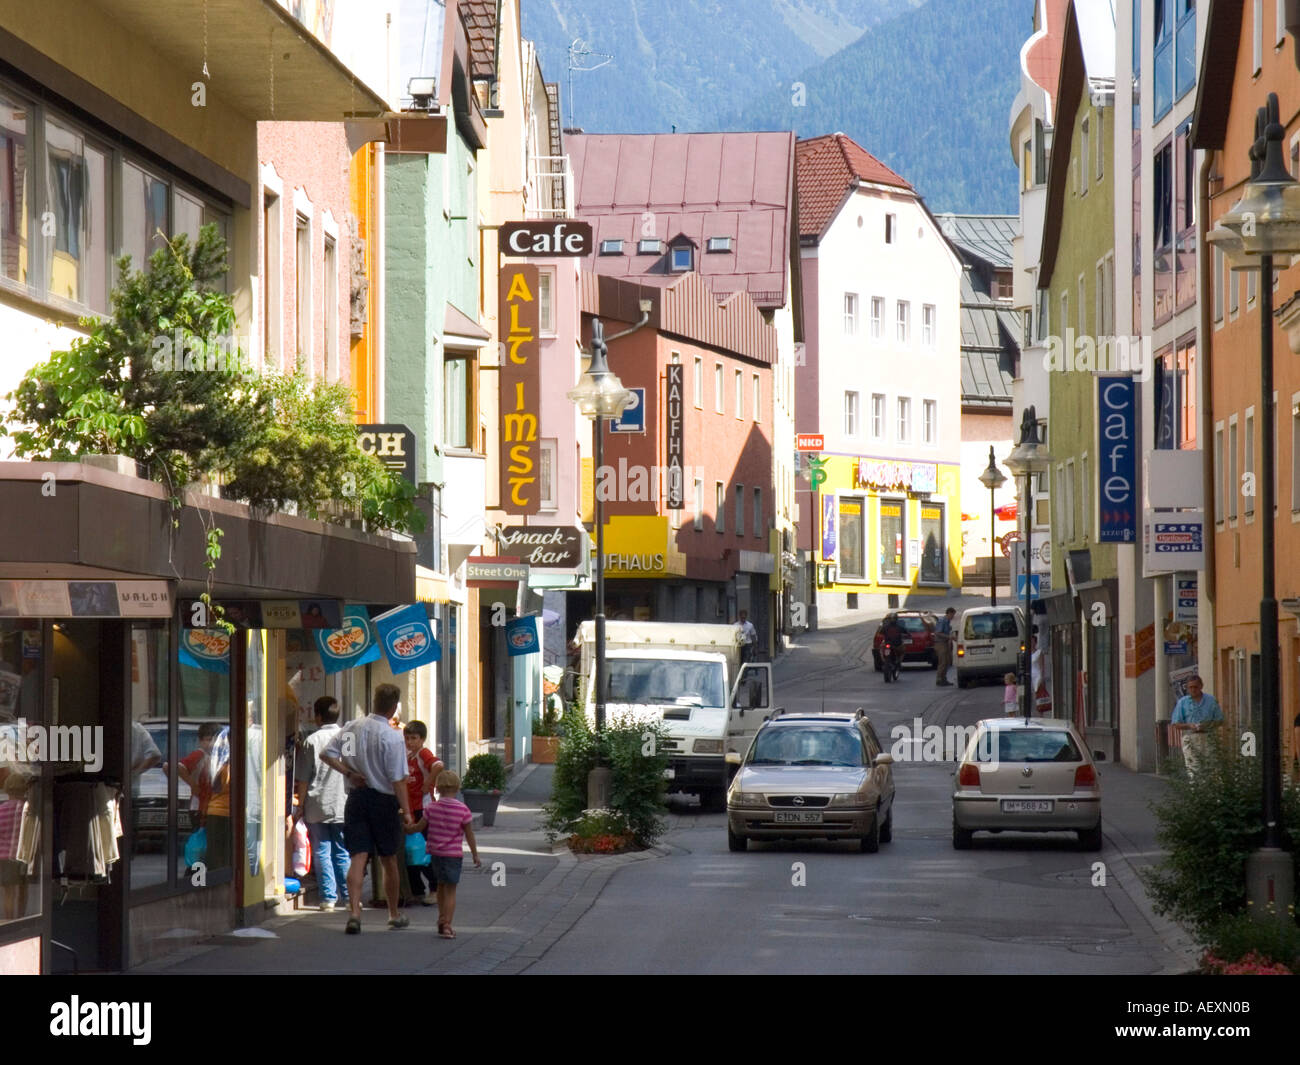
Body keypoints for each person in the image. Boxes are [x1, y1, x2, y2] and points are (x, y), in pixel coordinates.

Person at [321, 683, 413, 933]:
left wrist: (350, 772)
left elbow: (328, 754)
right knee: (388, 858)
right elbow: (398, 780)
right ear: (394, 708)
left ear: (373, 702)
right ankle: (393, 914)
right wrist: (407, 812)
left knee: (358, 857)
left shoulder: (352, 728)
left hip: (357, 798)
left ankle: (354, 912)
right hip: (383, 801)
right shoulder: (392, 737)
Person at [292, 697, 351, 911]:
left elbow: (304, 778)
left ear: (317, 716)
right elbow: (353, 768)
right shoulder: (348, 737)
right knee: (343, 850)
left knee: (322, 850)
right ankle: (348, 895)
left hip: (317, 804)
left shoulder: (311, 741)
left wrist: (300, 804)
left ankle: (328, 898)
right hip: (344, 801)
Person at [408, 769, 481, 940]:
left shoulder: (431, 808)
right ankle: (447, 924)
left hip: (435, 854)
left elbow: (419, 827)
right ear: (457, 788)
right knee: (451, 890)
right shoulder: (463, 810)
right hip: (453, 855)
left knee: (440, 886)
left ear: (437, 789)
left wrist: (407, 829)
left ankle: (441, 917)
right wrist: (475, 854)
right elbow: (469, 834)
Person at [402, 721, 442, 906]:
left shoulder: (423, 754)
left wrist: (429, 783)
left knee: (424, 851)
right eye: (407, 738)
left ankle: (434, 889)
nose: (410, 741)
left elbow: (438, 765)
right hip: (409, 810)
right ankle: (417, 890)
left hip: (424, 810)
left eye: (414, 738)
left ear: (422, 739)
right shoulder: (408, 756)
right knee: (410, 851)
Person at [1171, 674, 1223, 779]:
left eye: (1195, 687)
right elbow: (1175, 723)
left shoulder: (1211, 700)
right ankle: (1196, 792)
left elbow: (1220, 720)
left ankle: (1209, 793)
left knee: (1212, 768)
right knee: (1194, 769)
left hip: (1208, 736)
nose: (1193, 690)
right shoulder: (1183, 702)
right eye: (1190, 687)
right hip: (1190, 737)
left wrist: (1208, 724)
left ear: (1201, 686)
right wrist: (1189, 726)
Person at [933, 607, 956, 686]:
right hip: (940, 643)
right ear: (949, 613)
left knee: (947, 662)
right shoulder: (942, 621)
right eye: (952, 615)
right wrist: (949, 637)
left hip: (945, 643)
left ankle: (944, 679)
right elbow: (938, 633)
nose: (953, 617)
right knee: (942, 662)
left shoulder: (947, 621)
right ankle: (939, 679)